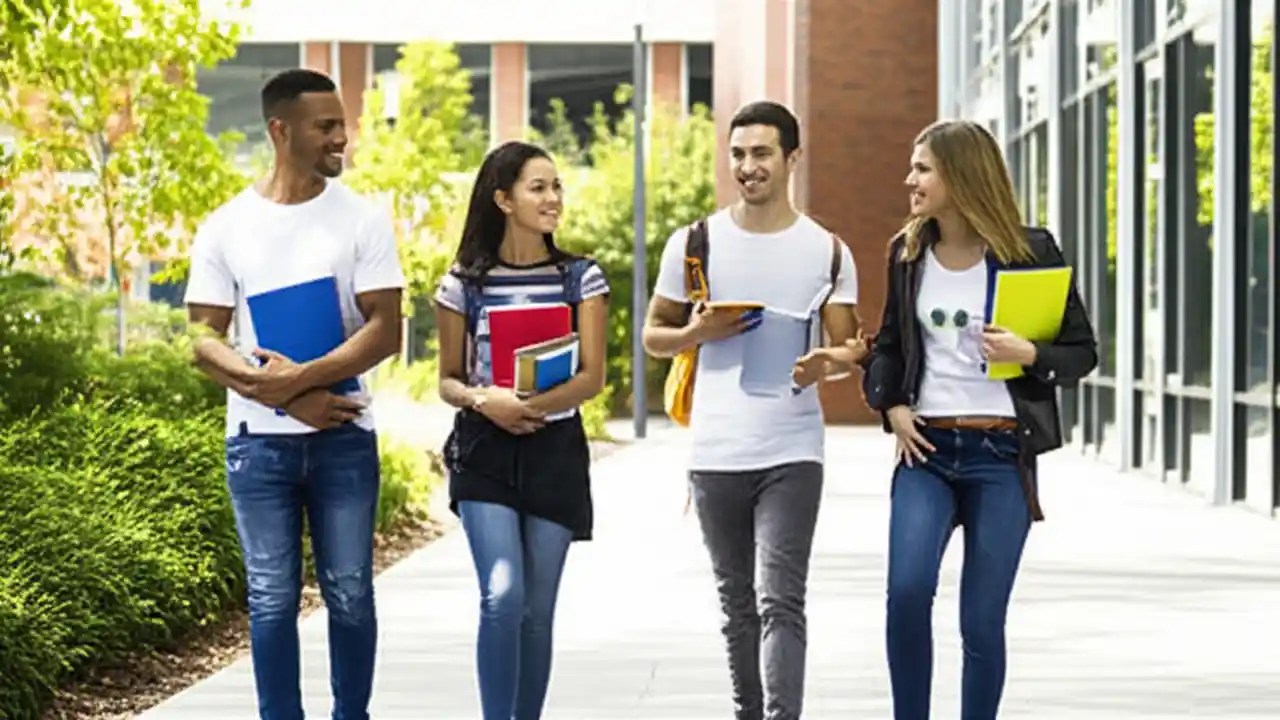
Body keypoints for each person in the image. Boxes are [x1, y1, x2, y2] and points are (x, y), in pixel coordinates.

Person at [184, 68, 405, 720]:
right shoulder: (226, 226)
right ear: (281, 131)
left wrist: (293, 383)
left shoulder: (362, 219)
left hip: (343, 436)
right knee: (272, 598)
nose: (342, 137)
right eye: (325, 126)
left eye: (342, 124)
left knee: (351, 592)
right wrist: (278, 396)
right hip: (258, 447)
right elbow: (200, 339)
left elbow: (386, 329)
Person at [858, 119, 1098, 720]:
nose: (909, 179)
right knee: (906, 594)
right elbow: (888, 346)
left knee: (982, 621)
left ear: (961, 175)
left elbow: (1082, 353)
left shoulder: (1030, 252)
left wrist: (1030, 353)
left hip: (1001, 455)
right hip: (926, 451)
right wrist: (892, 405)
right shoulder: (907, 253)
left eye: (923, 169)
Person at [641, 100, 862, 720]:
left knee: (780, 599)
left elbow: (849, 348)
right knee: (737, 603)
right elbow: (653, 336)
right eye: (738, 154)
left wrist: (825, 363)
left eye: (762, 153)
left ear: (792, 158)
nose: (747, 166)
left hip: (793, 450)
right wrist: (696, 333)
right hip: (716, 452)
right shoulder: (695, 244)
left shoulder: (827, 252)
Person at [434, 140, 609, 720]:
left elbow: (592, 377)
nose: (553, 198)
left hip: (554, 451)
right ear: (503, 199)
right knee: (502, 594)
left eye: (557, 186)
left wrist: (527, 408)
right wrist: (487, 401)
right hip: (485, 450)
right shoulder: (463, 284)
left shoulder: (580, 278)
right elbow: (448, 381)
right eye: (539, 187)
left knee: (536, 612)